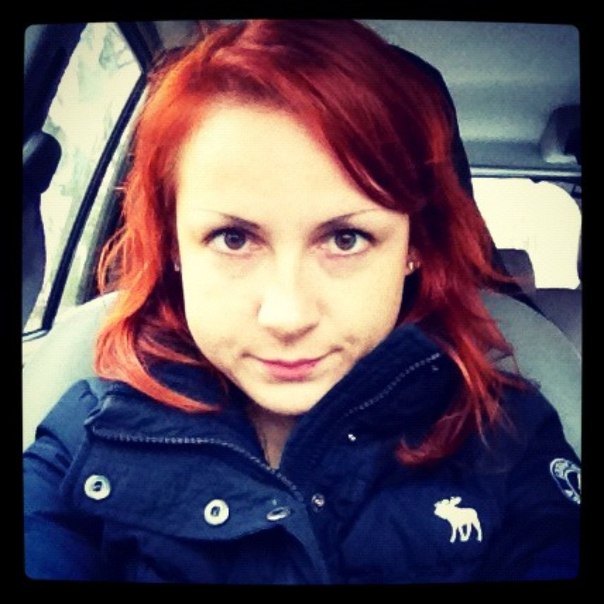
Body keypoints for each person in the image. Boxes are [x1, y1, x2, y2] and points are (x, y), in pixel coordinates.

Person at [23, 19, 581, 584]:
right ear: (173, 245)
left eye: (346, 239)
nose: (287, 316)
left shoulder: (509, 439)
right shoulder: (87, 437)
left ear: (414, 247)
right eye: (233, 238)